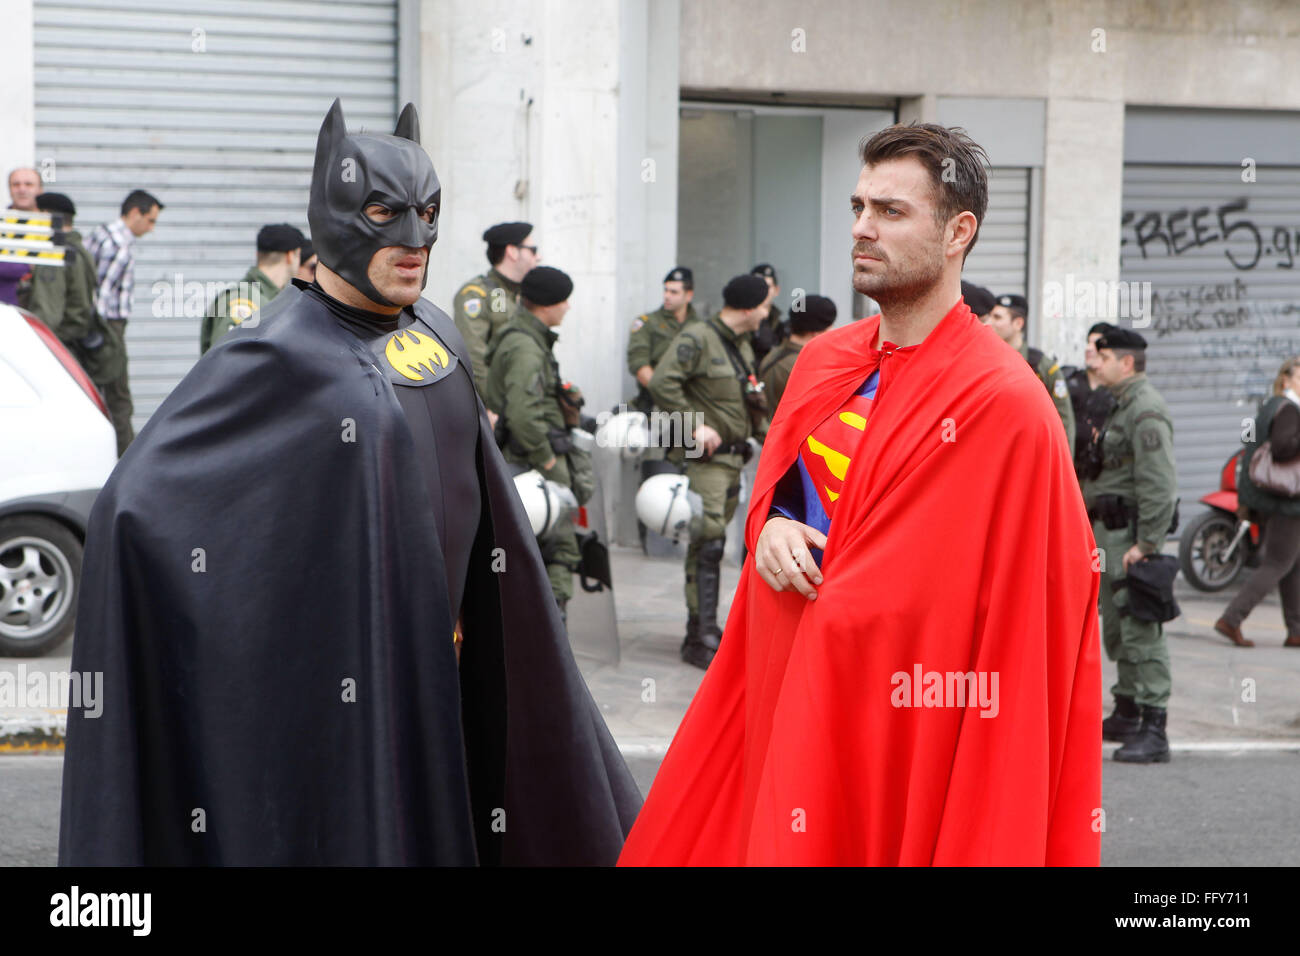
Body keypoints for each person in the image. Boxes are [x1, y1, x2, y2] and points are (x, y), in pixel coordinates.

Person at [59, 99, 640, 866]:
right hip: (350, 677)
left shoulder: (437, 332)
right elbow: (136, 506)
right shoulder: (276, 354)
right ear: (332, 215)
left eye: (427, 215)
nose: (414, 240)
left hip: (452, 660)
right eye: (383, 213)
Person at [620, 122, 1100, 865]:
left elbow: (1036, 608)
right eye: (858, 207)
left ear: (958, 232)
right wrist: (771, 527)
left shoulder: (1007, 401)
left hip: (903, 727)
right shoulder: (823, 363)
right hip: (786, 682)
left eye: (891, 211)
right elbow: (785, 499)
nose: (862, 228)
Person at [648, 273, 771, 669]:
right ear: (748, 308)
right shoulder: (698, 338)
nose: (766, 314)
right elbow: (662, 384)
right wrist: (693, 425)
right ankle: (699, 635)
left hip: (733, 460)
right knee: (709, 542)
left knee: (715, 542)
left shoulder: (740, 345)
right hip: (707, 462)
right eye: (764, 307)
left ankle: (706, 629)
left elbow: (747, 400)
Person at [1081, 327, 1177, 764]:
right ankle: (1126, 710)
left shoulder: (1144, 409)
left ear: (1126, 362)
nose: (1095, 362)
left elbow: (1159, 483)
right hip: (1109, 535)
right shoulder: (1119, 403)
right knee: (1118, 628)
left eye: (1104, 357)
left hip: (1131, 537)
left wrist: (1149, 543)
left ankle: (1155, 727)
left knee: (1141, 628)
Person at [483, 265, 593, 622]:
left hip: (528, 458)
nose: (568, 307)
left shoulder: (526, 338)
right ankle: (553, 634)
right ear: (547, 304)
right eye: (564, 300)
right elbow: (522, 412)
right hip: (532, 460)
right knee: (560, 546)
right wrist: (547, 460)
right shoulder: (526, 347)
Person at [1215, 357, 1300, 649]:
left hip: (1275, 498)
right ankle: (1231, 619)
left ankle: (1296, 630)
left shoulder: (1272, 405)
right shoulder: (1289, 409)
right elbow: (1283, 448)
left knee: (1292, 563)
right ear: (1286, 379)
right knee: (1277, 563)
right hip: (1287, 500)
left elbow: (1253, 443)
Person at [84, 188, 163, 456]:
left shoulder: (101, 233)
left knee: (96, 391)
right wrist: (101, 335)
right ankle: (126, 460)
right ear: (134, 213)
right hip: (108, 327)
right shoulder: (119, 245)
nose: (151, 229)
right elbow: (101, 294)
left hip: (96, 328)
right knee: (119, 398)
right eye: (150, 221)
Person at [19, 192, 124, 390]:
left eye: (35, 214)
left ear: (46, 216)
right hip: (75, 351)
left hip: (58, 351)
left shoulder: (54, 255)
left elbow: (47, 316)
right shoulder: (79, 250)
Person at [452, 221, 539, 396]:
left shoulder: (523, 294)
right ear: (512, 252)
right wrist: (493, 403)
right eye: (533, 250)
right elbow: (474, 356)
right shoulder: (476, 294)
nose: (538, 257)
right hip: (497, 402)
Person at [985, 292, 1076, 448]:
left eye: (997, 317)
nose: (989, 323)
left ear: (1018, 323)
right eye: (990, 316)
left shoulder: (1042, 366)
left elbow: (1064, 420)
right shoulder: (986, 361)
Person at [199, 223, 304, 354]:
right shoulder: (245, 300)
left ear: (257, 254)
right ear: (291, 255)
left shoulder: (271, 299)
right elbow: (228, 360)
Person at [626, 266, 701, 414]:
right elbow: (639, 363)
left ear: (688, 295)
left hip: (692, 403)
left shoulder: (700, 327)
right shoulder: (647, 323)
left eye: (674, 292)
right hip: (654, 402)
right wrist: (666, 394)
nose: (667, 296)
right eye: (666, 290)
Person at [758, 293, 836, 410]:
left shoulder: (773, 355)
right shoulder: (805, 367)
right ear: (815, 332)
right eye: (829, 327)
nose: (833, 331)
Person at [1066, 322, 1118, 480]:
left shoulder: (1117, 391)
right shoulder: (1069, 382)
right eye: (1088, 342)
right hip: (1070, 472)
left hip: (1103, 478)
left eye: (1096, 344)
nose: (1089, 348)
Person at [1, 166, 44, 305]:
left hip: (40, 310)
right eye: (16, 184)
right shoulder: (2, 223)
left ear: (40, 189)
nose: (22, 189)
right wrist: (28, 266)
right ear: (9, 189)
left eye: (29, 184)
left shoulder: (50, 226)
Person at [749, 262, 786, 367]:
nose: (762, 291)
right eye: (757, 286)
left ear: (776, 290)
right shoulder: (743, 321)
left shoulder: (782, 326)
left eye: (767, 286)